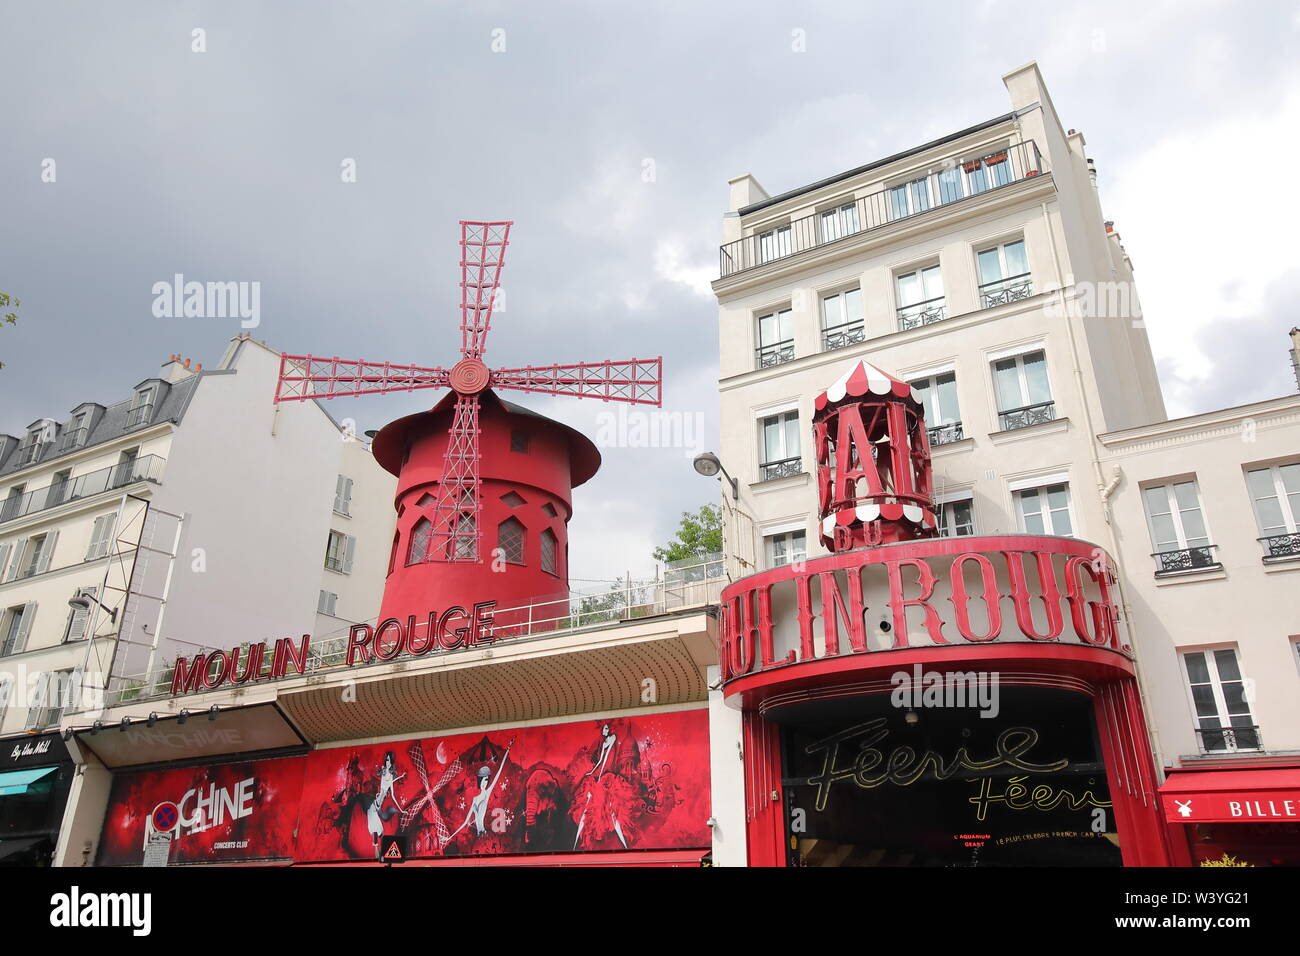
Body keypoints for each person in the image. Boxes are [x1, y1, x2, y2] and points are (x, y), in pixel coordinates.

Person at [448, 738, 514, 841]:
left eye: (486, 780)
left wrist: (508, 749)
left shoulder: (487, 794)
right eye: (483, 780)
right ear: (479, 781)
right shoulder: (475, 799)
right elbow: (466, 822)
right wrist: (450, 837)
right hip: (479, 835)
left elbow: (499, 772)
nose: (485, 783)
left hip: (483, 833)